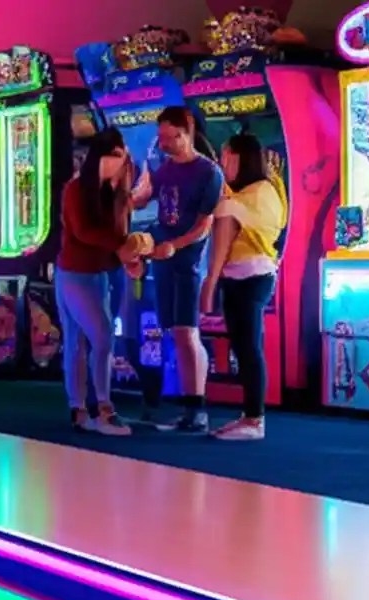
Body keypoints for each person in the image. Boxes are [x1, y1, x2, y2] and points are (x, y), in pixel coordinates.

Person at [132, 106, 225, 433]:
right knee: (173, 331)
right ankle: (189, 407)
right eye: (161, 138)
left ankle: (197, 407)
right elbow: (143, 198)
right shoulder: (163, 169)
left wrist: (177, 245)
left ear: (187, 134)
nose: (165, 143)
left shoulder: (208, 172)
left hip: (188, 261)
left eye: (171, 137)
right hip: (162, 256)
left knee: (187, 332)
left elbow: (204, 225)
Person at [57, 128, 140, 436]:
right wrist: (121, 249)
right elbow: (83, 232)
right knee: (97, 337)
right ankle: (98, 407)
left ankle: (84, 408)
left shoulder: (113, 193)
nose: (121, 162)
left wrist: (122, 193)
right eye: (116, 156)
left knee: (89, 339)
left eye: (123, 157)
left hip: (101, 274)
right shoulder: (76, 189)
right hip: (75, 273)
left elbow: (120, 233)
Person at [203, 133, 286, 440]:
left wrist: (209, 284)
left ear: (242, 158)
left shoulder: (257, 193)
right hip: (243, 276)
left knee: (249, 347)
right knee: (243, 346)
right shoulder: (261, 189)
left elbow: (224, 218)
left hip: (251, 276)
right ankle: (249, 416)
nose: (223, 164)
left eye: (227, 157)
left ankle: (255, 419)